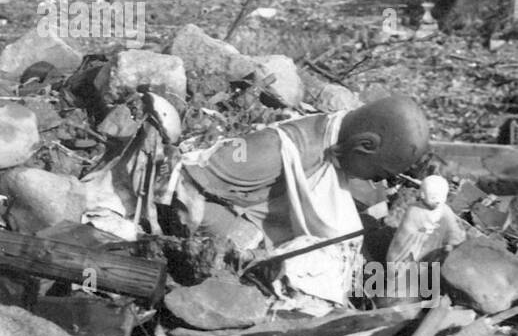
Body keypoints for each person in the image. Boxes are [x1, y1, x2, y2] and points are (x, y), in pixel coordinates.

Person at [176, 95, 431, 249]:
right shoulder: (275, 151)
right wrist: (245, 239)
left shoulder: (336, 146)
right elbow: (181, 187)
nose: (380, 183)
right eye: (379, 174)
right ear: (364, 145)